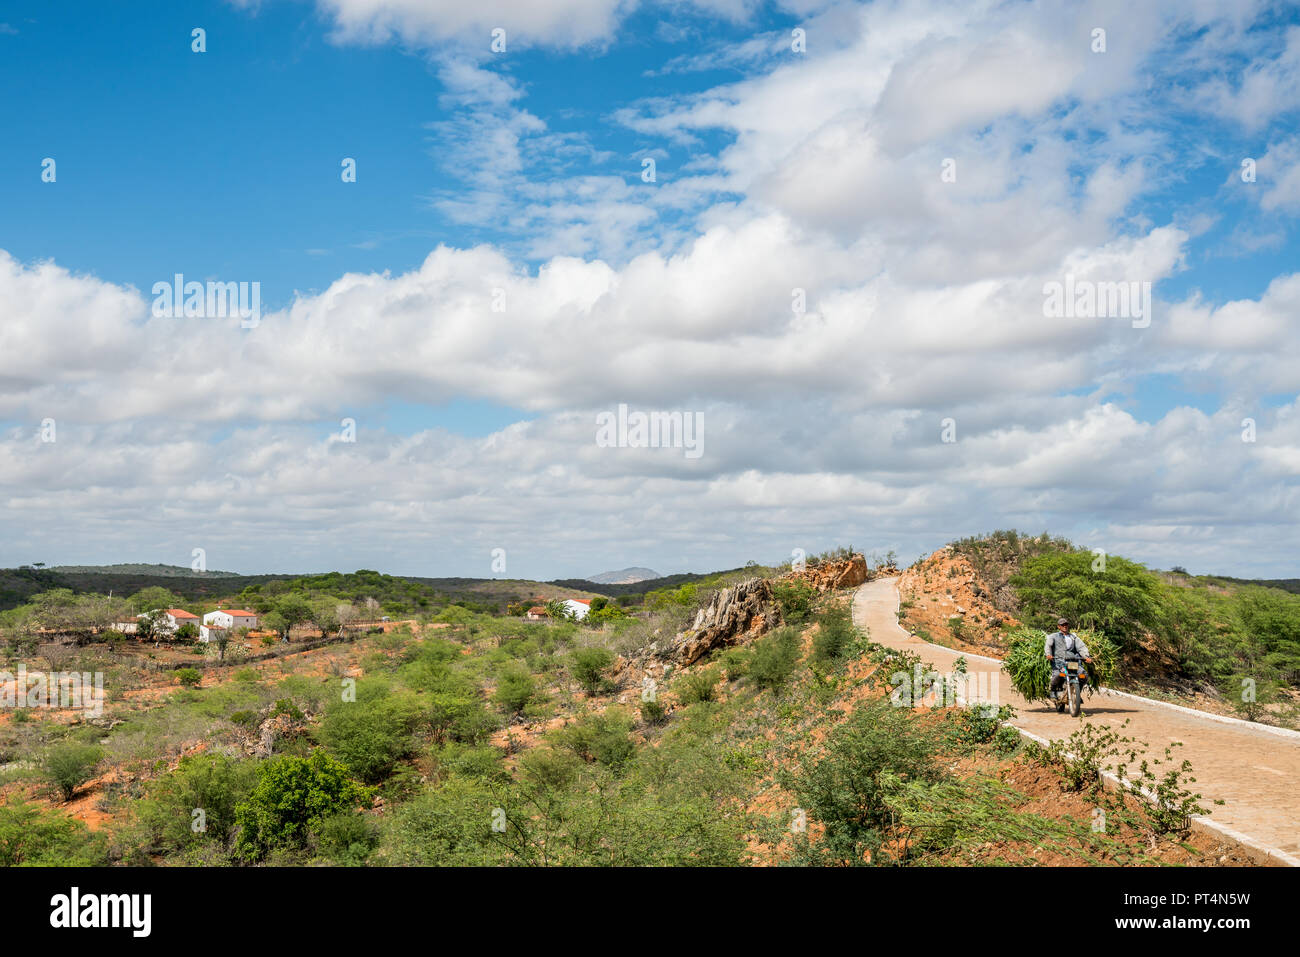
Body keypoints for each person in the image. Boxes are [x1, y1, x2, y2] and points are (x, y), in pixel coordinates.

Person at [1044, 617, 1091, 703]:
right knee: (1058, 675)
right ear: (1059, 626)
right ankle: (1053, 692)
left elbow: (1081, 647)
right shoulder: (1053, 636)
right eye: (1062, 625)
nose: (1065, 626)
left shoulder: (1073, 637)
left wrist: (1086, 656)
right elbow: (1048, 646)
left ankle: (1077, 693)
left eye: (1066, 624)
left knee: (1084, 675)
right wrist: (1048, 655)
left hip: (1073, 662)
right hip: (1059, 662)